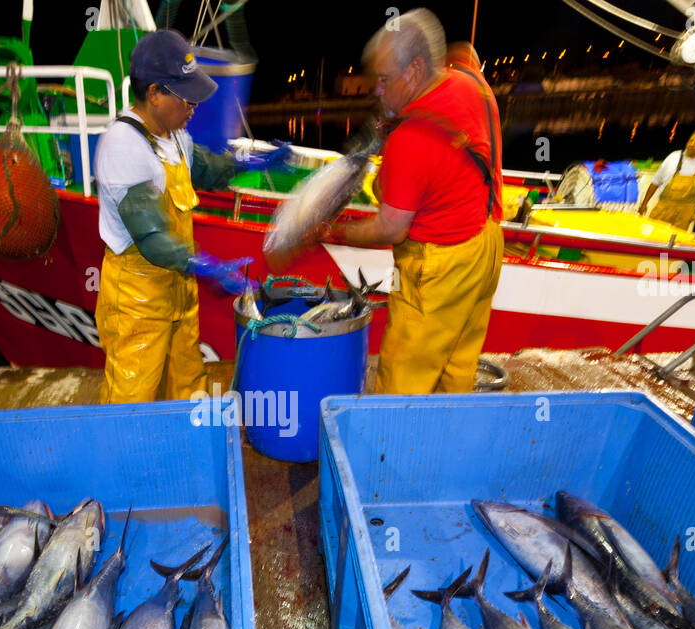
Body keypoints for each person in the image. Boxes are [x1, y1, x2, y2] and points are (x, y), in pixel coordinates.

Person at [93, 28, 290, 404]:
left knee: (188, 387)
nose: (194, 108)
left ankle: (184, 452)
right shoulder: (123, 145)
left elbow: (210, 168)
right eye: (186, 98)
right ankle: (121, 459)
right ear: (154, 93)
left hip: (179, 292)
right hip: (138, 299)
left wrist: (257, 158)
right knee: (131, 398)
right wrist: (207, 265)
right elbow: (150, 239)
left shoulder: (174, 135)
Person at [318, 9, 504, 395]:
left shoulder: (411, 140)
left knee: (403, 379)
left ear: (416, 69)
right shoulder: (470, 82)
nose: (377, 90)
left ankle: (392, 452)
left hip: (438, 270)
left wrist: (335, 233)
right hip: (485, 246)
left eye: (384, 80)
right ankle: (452, 442)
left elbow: (391, 227)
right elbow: (463, 51)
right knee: (456, 367)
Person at [641, 126, 695, 233]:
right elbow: (656, 181)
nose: (692, 144)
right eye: (691, 140)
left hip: (685, 213)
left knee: (676, 239)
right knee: (652, 235)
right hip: (663, 207)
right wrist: (644, 203)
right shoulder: (673, 157)